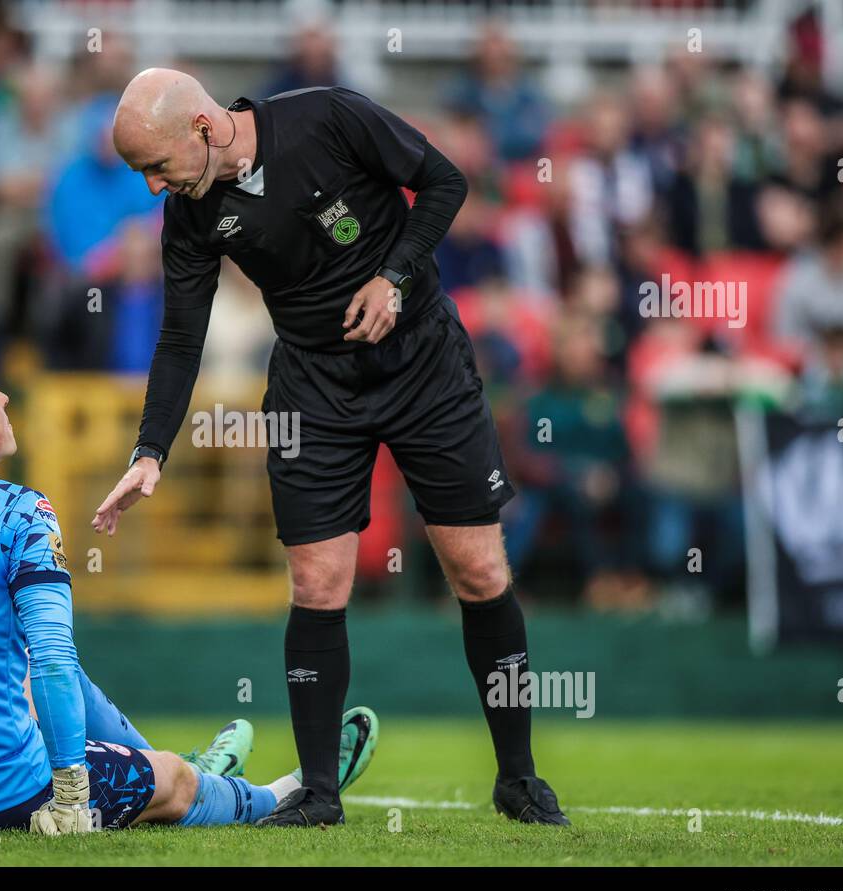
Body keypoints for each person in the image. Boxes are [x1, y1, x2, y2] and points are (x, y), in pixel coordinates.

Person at [95, 68, 568, 827]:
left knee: (479, 571)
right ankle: (320, 793)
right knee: (317, 584)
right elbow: (181, 337)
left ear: (204, 129)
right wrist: (149, 451)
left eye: (156, 167)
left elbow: (445, 182)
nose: (152, 189)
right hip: (314, 388)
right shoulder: (189, 215)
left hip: (423, 364)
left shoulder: (328, 119)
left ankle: (518, 776)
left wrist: (393, 276)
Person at [0, 349, 377, 835]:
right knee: (171, 782)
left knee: (34, 675)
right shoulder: (18, 512)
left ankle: (169, 764)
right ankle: (268, 795)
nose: (4, 396)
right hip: (3, 796)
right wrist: (69, 797)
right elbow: (56, 654)